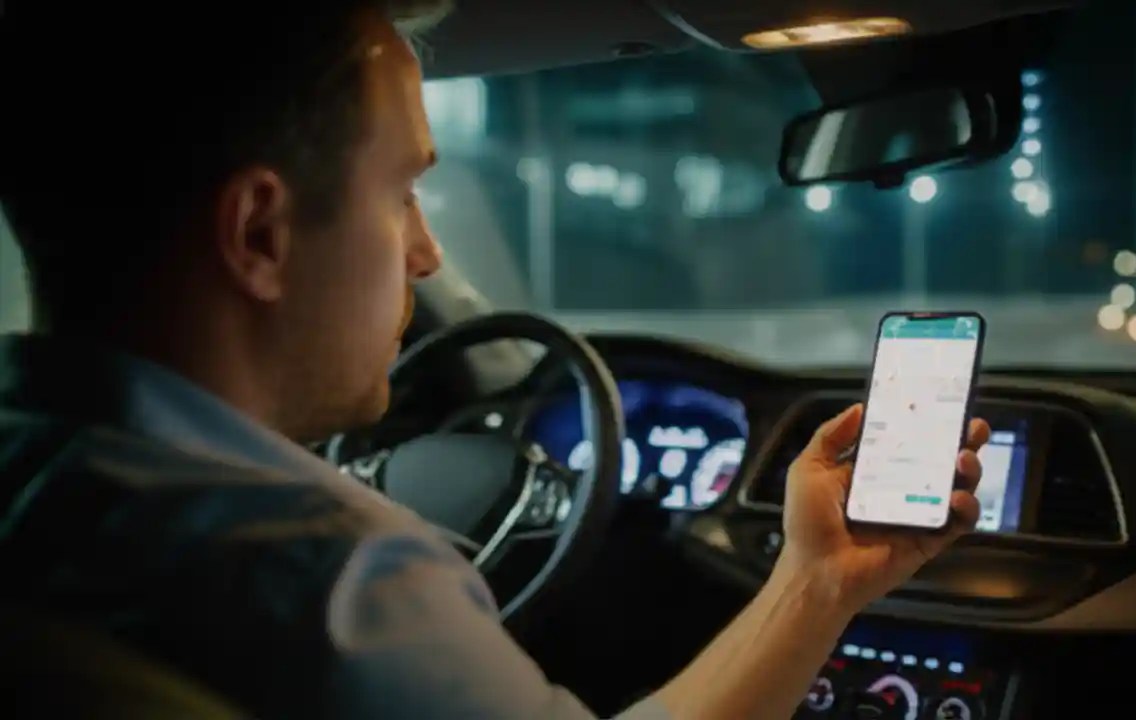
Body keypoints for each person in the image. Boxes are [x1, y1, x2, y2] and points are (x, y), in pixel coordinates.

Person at [0, 1, 988, 718]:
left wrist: (816, 581)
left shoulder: (36, 483)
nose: (428, 254)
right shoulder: (336, 587)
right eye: (402, 193)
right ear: (260, 233)